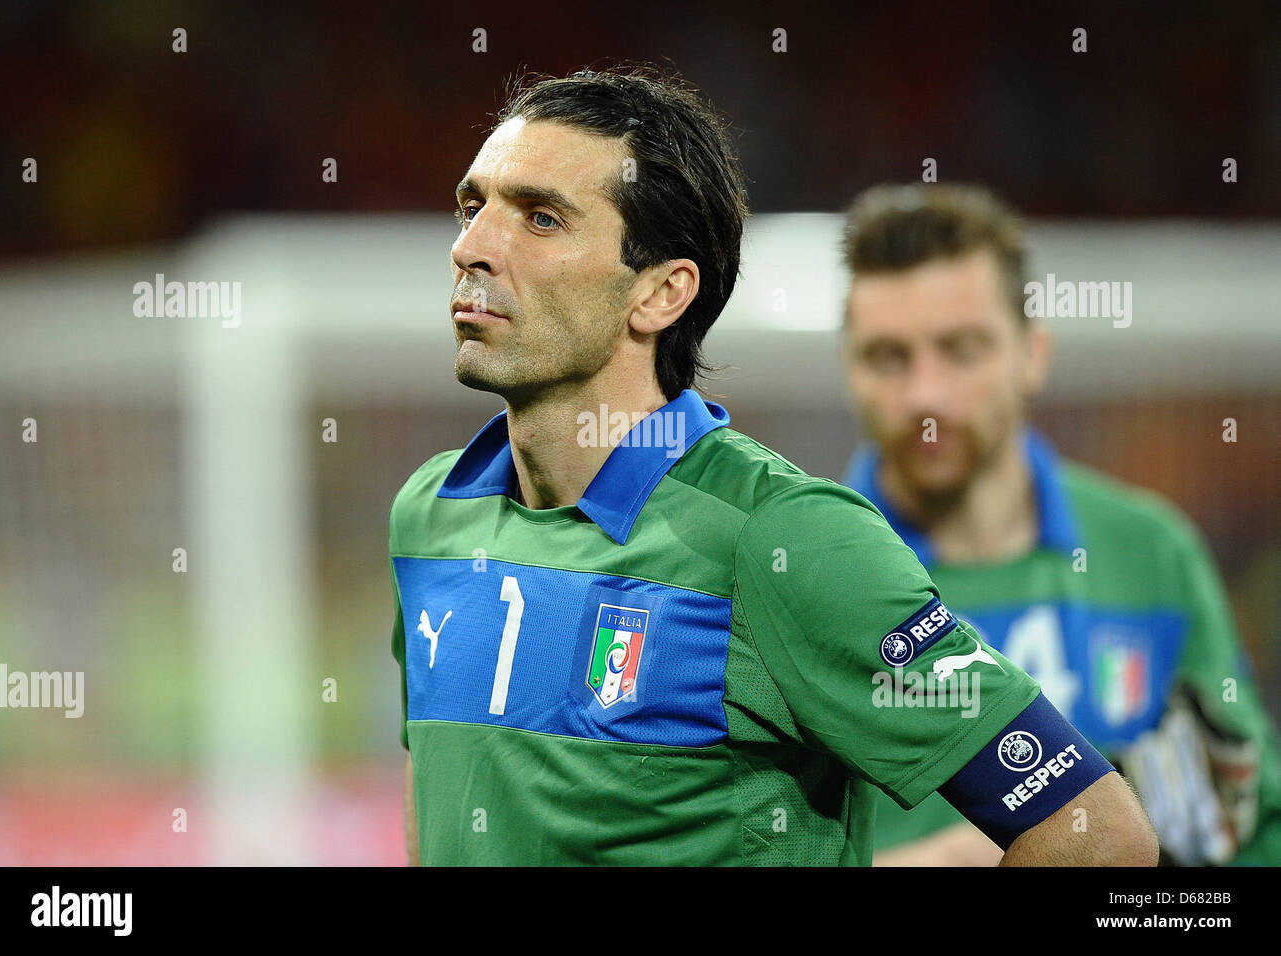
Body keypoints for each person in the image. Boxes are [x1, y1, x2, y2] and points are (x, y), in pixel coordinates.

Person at [387, 67, 1157, 865]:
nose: (471, 248)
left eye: (541, 218)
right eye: (473, 207)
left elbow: (1097, 834)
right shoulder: (431, 515)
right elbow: (442, 797)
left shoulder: (784, 540)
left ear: (660, 294)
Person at [838, 182, 1281, 866]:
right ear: (849, 370)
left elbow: (1254, 829)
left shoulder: (1151, 553)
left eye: (961, 350)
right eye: (888, 357)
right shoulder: (801, 575)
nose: (925, 395)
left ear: (1033, 355)